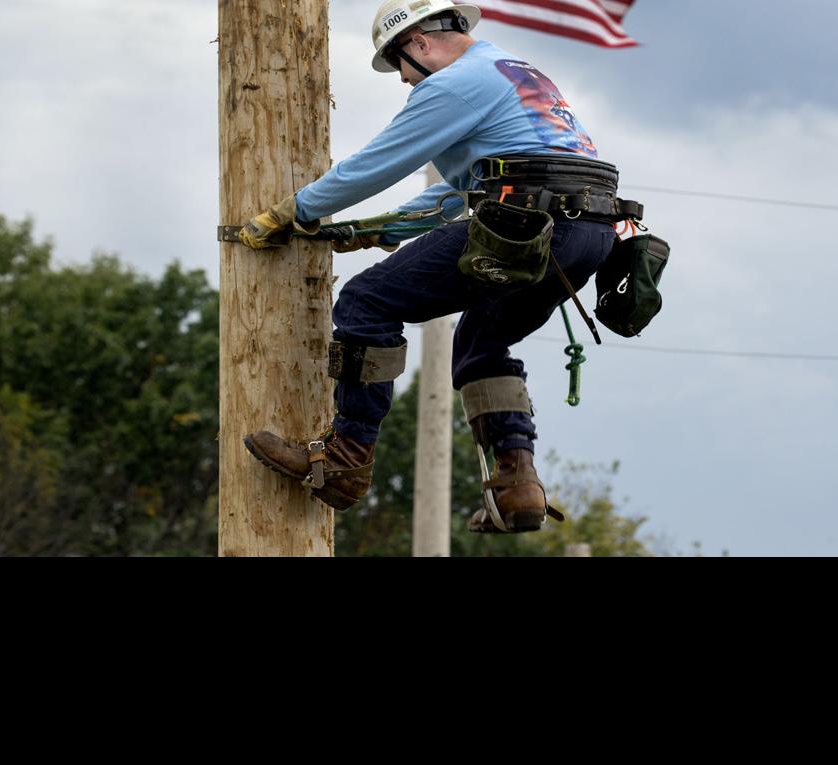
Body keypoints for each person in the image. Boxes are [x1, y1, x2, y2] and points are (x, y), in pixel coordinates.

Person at [236, 0, 641, 533]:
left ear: (420, 41)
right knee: (481, 343)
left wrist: (292, 211)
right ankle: (517, 482)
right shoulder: (519, 73)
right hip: (589, 234)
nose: (404, 78)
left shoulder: (453, 84)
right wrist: (385, 227)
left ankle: (344, 460)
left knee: (367, 301)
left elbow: (377, 163)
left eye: (399, 62)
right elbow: (466, 193)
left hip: (528, 222)